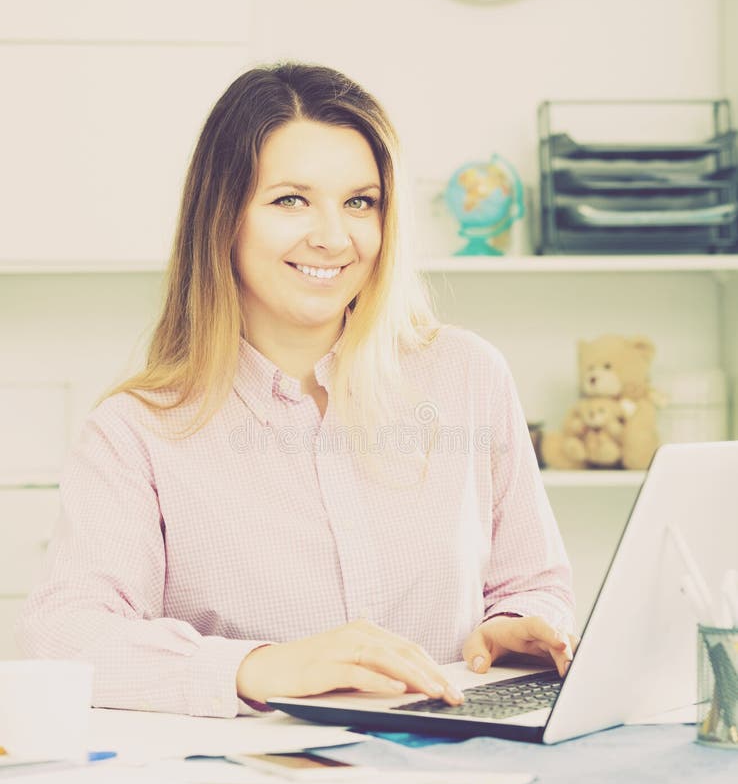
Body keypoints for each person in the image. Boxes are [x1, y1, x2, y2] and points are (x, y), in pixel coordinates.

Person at [16, 62, 577, 718]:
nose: (333, 238)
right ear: (223, 216)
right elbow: (63, 637)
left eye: (359, 203)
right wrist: (260, 667)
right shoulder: (136, 431)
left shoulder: (468, 375)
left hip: (464, 767)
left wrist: (521, 624)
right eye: (290, 200)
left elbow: (533, 583)